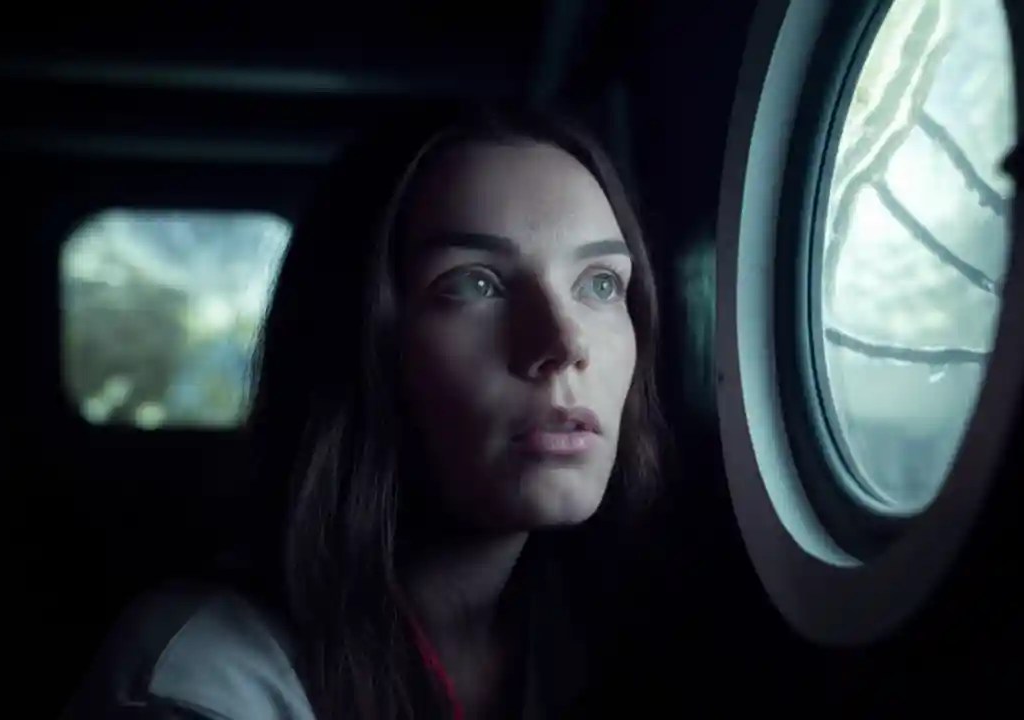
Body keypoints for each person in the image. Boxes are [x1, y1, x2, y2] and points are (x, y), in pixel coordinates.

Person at [60, 105, 671, 720]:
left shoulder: (608, 631)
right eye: (475, 284)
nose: (564, 346)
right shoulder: (201, 689)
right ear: (357, 340)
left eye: (599, 284)